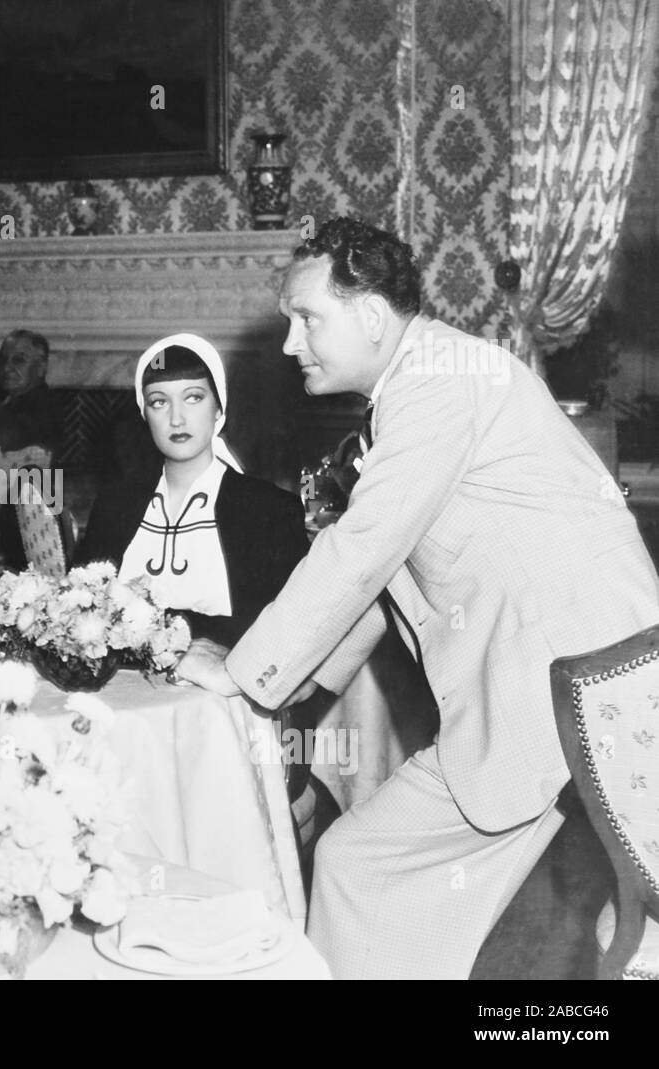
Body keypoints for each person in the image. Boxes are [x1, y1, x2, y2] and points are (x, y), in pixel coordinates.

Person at [175, 217, 659, 979]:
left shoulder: (437, 380)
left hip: (577, 688)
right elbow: (384, 581)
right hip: (555, 684)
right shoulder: (421, 386)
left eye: (306, 318)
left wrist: (242, 671)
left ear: (371, 315)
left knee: (356, 865)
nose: (289, 344)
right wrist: (291, 689)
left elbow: (360, 550)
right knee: (358, 866)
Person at [74, 333, 309, 649]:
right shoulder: (115, 505)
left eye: (194, 397)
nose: (176, 418)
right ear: (145, 415)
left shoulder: (270, 510)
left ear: (218, 408)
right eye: (159, 402)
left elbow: (278, 632)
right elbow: (83, 611)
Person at [0, 329, 63, 455]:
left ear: (40, 368)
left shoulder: (46, 405)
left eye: (19, 360)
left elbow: (10, 437)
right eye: (4, 359)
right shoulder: (8, 399)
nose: (6, 368)